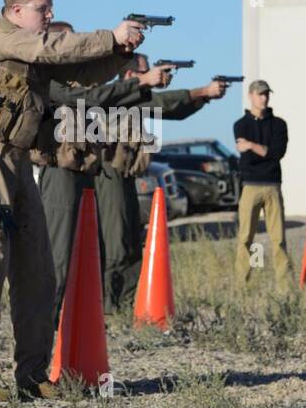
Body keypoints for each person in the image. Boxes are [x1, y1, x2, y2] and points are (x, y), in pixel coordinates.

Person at [0, 0, 143, 401]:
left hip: (16, 159)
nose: (49, 16)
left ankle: (32, 373)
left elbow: (77, 74)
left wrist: (119, 52)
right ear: (16, 11)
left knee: (38, 267)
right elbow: (47, 48)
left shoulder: (29, 46)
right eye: (42, 9)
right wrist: (109, 34)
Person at [38, 24, 170, 328]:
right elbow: (93, 95)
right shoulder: (53, 81)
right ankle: (47, 327)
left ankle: (76, 319)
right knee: (60, 255)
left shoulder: (74, 80)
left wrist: (125, 52)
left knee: (89, 250)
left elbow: (97, 84)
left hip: (85, 172)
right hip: (63, 172)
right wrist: (139, 80)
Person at [96, 54, 228, 313]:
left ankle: (127, 303)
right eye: (147, 70)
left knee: (131, 239)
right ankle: (110, 306)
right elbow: (162, 103)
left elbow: (172, 110)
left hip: (124, 175)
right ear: (131, 76)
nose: (155, 74)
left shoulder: (133, 98)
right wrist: (201, 90)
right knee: (116, 242)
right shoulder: (118, 96)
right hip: (109, 174)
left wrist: (203, 97)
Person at [233, 79, 291, 286]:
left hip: (273, 185)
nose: (264, 98)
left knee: (278, 239)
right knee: (245, 238)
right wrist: (262, 150)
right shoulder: (240, 125)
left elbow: (277, 154)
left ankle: (284, 286)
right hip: (250, 186)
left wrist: (251, 146)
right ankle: (243, 284)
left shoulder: (279, 125)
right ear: (250, 96)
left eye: (266, 94)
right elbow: (249, 157)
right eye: (260, 94)